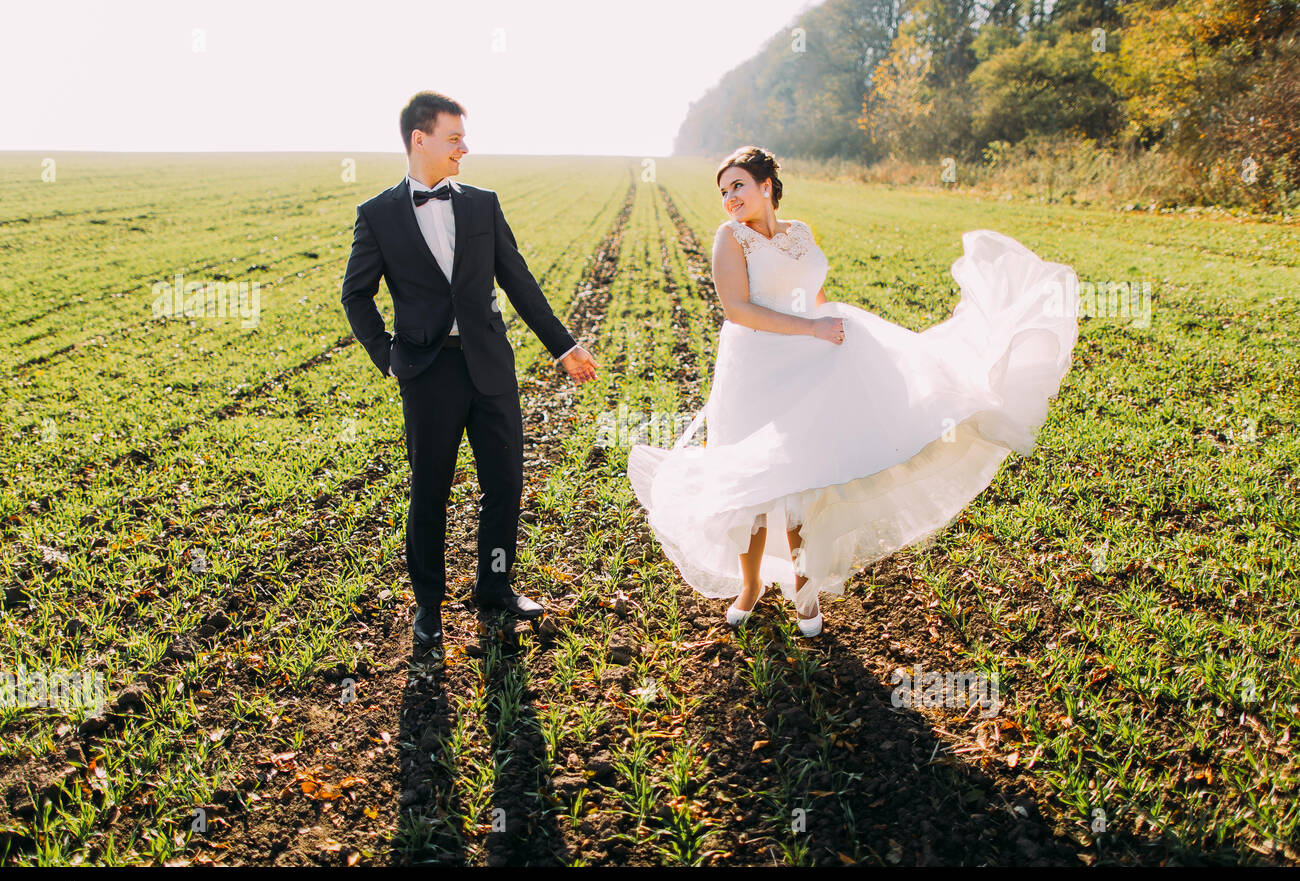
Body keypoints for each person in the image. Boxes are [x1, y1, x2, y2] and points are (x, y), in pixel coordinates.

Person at [627, 146, 1078, 637]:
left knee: (802, 477)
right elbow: (738, 309)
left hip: (808, 358)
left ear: (765, 186)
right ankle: (751, 585)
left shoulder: (799, 232)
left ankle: (804, 592)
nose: (729, 198)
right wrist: (810, 329)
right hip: (754, 365)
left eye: (737, 185)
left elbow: (812, 293)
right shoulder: (729, 237)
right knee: (747, 482)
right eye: (723, 191)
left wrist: (832, 328)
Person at [341, 91, 599, 648]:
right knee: (429, 491)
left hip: (490, 368)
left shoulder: (483, 204)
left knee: (504, 485)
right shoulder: (379, 215)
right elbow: (355, 295)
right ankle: (428, 607)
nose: (465, 148)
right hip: (427, 374)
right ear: (420, 139)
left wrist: (563, 346)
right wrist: (387, 354)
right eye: (455, 138)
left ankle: (496, 587)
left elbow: (519, 281)